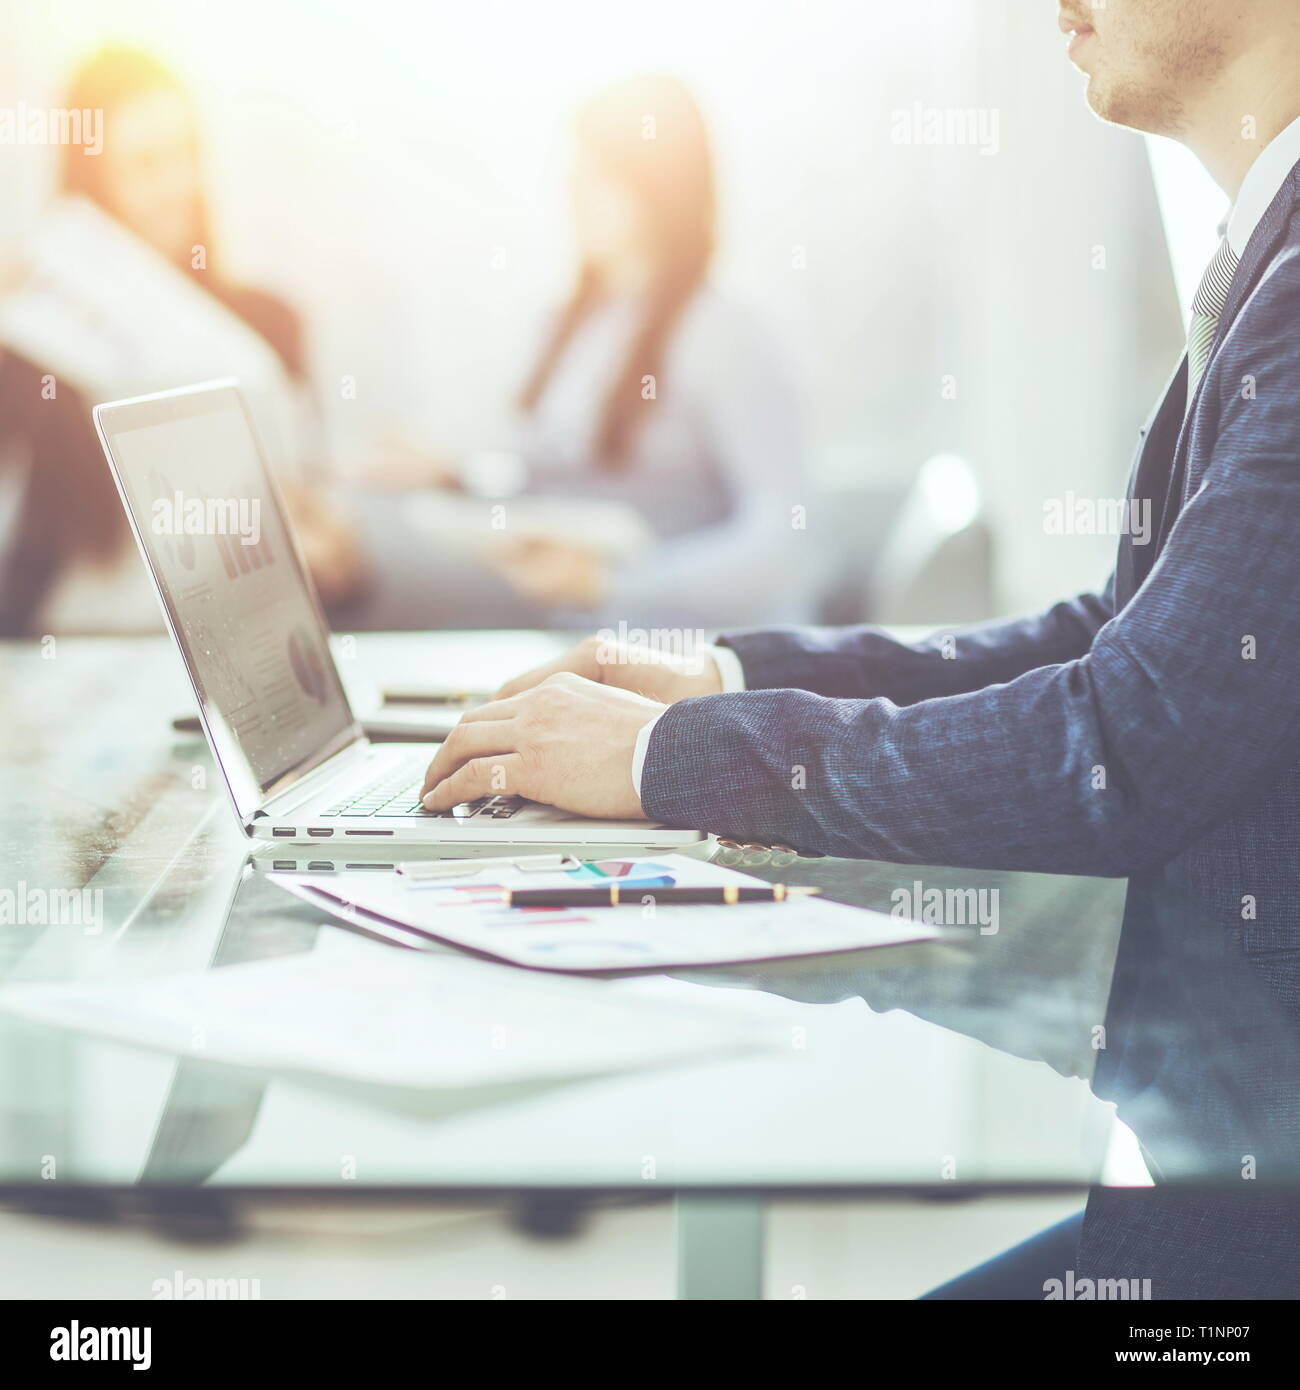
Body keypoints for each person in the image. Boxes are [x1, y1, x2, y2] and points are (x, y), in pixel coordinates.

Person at [420, 0, 1300, 1298]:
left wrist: (678, 758)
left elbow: (1120, 741)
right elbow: (1109, 641)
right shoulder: (1263, 264)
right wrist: (727, 682)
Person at [359, 75, 807, 631]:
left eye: (602, 172)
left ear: (660, 186)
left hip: (682, 649)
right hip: (575, 632)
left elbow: (788, 543)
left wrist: (617, 584)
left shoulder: (726, 335)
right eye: (576, 167)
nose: (574, 188)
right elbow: (559, 484)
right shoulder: (569, 324)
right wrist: (458, 477)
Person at [0, 47, 366, 634]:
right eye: (144, 165)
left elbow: (332, 542)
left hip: (242, 653)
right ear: (93, 182)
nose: (176, 186)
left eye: (184, 156)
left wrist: (326, 551)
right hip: (82, 650)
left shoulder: (268, 323)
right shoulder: (35, 344)